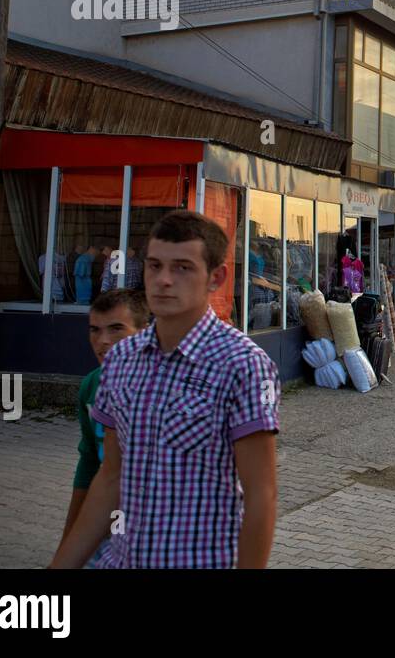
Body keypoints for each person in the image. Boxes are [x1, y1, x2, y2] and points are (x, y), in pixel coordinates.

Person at [51, 210, 280, 569]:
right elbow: (110, 476)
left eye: (182, 268)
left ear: (215, 278)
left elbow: (261, 494)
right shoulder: (122, 359)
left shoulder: (243, 364)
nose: (163, 280)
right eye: (154, 266)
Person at [54, 289, 150, 567]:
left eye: (116, 329)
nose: (103, 341)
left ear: (144, 331)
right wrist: (67, 543)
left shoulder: (162, 388)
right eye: (94, 330)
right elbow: (88, 464)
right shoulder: (91, 387)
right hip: (105, 529)